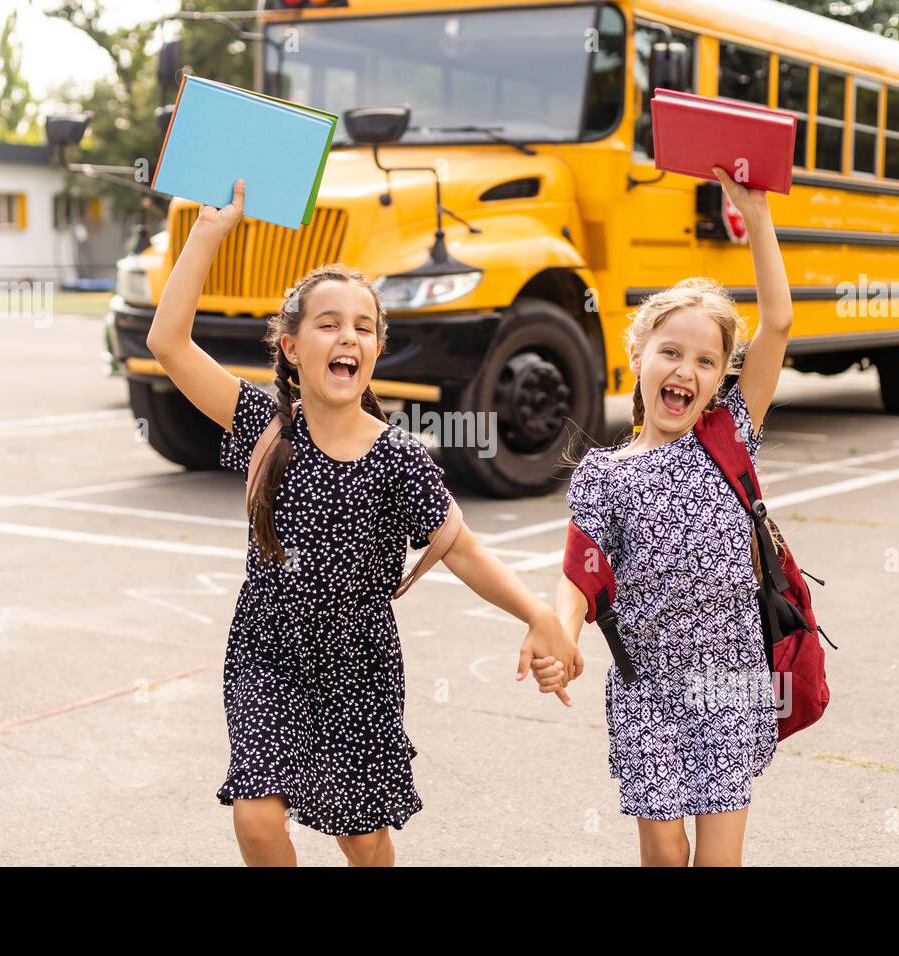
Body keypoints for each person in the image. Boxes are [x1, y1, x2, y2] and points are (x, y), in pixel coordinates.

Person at [147, 180, 582, 867]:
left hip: (359, 669)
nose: (347, 335)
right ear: (290, 347)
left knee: (362, 837)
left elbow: (462, 550)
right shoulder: (263, 426)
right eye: (327, 323)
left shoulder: (399, 458)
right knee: (258, 817)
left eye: (364, 326)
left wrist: (537, 614)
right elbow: (168, 343)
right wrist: (208, 232)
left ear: (376, 349)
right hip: (267, 658)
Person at [535, 167, 792, 866]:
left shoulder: (731, 434)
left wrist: (755, 217)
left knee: (715, 860)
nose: (686, 370)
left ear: (719, 379)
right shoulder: (604, 472)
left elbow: (778, 323)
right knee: (662, 849)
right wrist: (560, 635)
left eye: (706, 360)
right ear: (637, 357)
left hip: (729, 677)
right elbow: (579, 573)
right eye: (671, 352)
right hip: (645, 681)